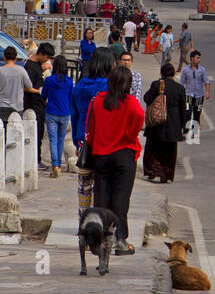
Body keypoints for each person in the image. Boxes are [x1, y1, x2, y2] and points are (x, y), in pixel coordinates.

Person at [86, 65, 145, 254]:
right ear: (128, 84)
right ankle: (120, 241)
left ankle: (99, 240)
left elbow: (91, 128)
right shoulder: (131, 103)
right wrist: (128, 136)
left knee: (101, 198)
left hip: (101, 154)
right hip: (124, 155)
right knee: (120, 199)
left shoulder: (98, 100)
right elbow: (139, 118)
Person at [72, 49, 115, 214]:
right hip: (103, 140)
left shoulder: (80, 85)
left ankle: (83, 218)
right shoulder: (107, 87)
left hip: (84, 139)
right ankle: (100, 218)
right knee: (103, 183)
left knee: (84, 184)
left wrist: (77, 141)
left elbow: (74, 115)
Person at [142, 63, 190, 183]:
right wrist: (184, 126)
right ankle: (165, 175)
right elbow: (183, 109)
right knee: (169, 152)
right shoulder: (179, 88)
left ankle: (152, 171)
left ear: (162, 73)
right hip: (173, 125)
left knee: (153, 148)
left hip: (156, 123)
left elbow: (147, 98)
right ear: (173, 74)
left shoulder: (156, 84)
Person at [23, 42, 55, 169]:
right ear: (40, 54)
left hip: (40, 103)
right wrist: (39, 91)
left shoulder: (38, 65)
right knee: (35, 132)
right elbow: (26, 87)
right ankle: (34, 159)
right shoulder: (30, 67)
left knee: (40, 131)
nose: (47, 60)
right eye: (46, 57)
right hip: (32, 103)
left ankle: (37, 158)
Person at [43, 55, 73, 178]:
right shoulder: (69, 81)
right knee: (61, 140)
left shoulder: (49, 80)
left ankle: (55, 165)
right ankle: (58, 165)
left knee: (53, 140)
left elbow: (43, 95)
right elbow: (71, 98)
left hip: (51, 112)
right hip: (65, 113)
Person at [0, 46, 38, 123]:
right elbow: (29, 86)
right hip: (17, 107)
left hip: (1, 106)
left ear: (4, 57)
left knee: (0, 130)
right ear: (15, 58)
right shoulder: (21, 70)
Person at [180, 51, 211, 130]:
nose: (199, 60)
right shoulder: (185, 70)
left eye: (199, 58)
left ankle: (195, 132)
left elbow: (206, 81)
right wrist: (180, 94)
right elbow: (182, 83)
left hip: (199, 96)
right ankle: (186, 130)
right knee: (187, 113)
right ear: (192, 59)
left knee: (197, 114)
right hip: (188, 95)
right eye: (197, 58)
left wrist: (207, 91)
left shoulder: (202, 70)